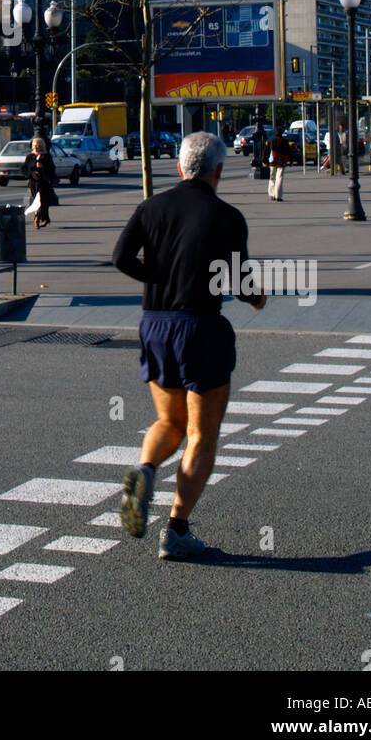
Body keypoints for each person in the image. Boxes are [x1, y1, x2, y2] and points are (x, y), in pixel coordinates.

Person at [111, 132, 266, 560]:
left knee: (169, 421)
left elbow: (121, 257)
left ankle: (144, 470)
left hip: (155, 325)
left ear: (180, 167)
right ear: (218, 171)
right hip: (201, 328)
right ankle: (176, 530)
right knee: (201, 434)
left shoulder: (151, 207)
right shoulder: (227, 217)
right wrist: (257, 297)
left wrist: (158, 279)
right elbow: (239, 279)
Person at [23, 136, 58, 228]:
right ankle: (38, 216)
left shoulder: (47, 156)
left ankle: (44, 218)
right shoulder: (30, 157)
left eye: (38, 145)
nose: (36, 147)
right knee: (37, 201)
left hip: (44, 182)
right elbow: (24, 169)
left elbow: (52, 169)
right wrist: (31, 173)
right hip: (34, 183)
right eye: (35, 145)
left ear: (42, 146)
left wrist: (42, 167)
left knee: (43, 201)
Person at [267, 131, 292, 200]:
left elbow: (266, 151)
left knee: (272, 178)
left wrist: (264, 161)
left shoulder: (271, 141)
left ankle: (272, 194)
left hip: (272, 162)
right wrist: (290, 161)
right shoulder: (284, 141)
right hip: (281, 162)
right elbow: (289, 152)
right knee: (279, 178)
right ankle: (278, 195)